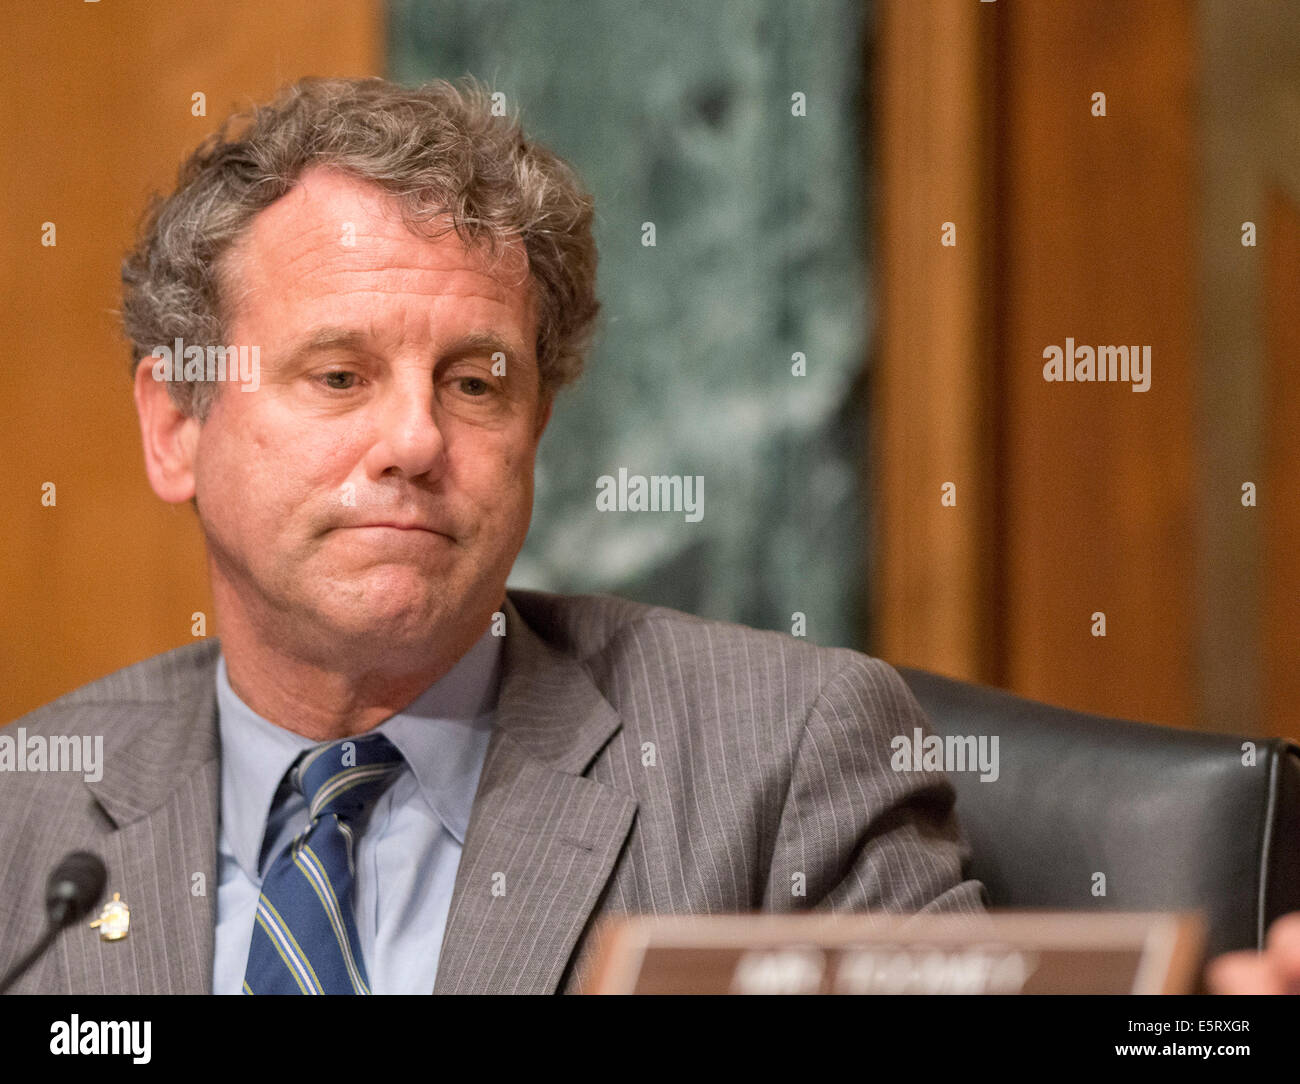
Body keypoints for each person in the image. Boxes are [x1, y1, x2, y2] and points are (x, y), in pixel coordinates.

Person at [0, 76, 984, 995]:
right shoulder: (26, 821)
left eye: (475, 384)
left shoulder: (777, 768)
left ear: (535, 429)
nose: (417, 440)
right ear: (176, 426)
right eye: (339, 375)